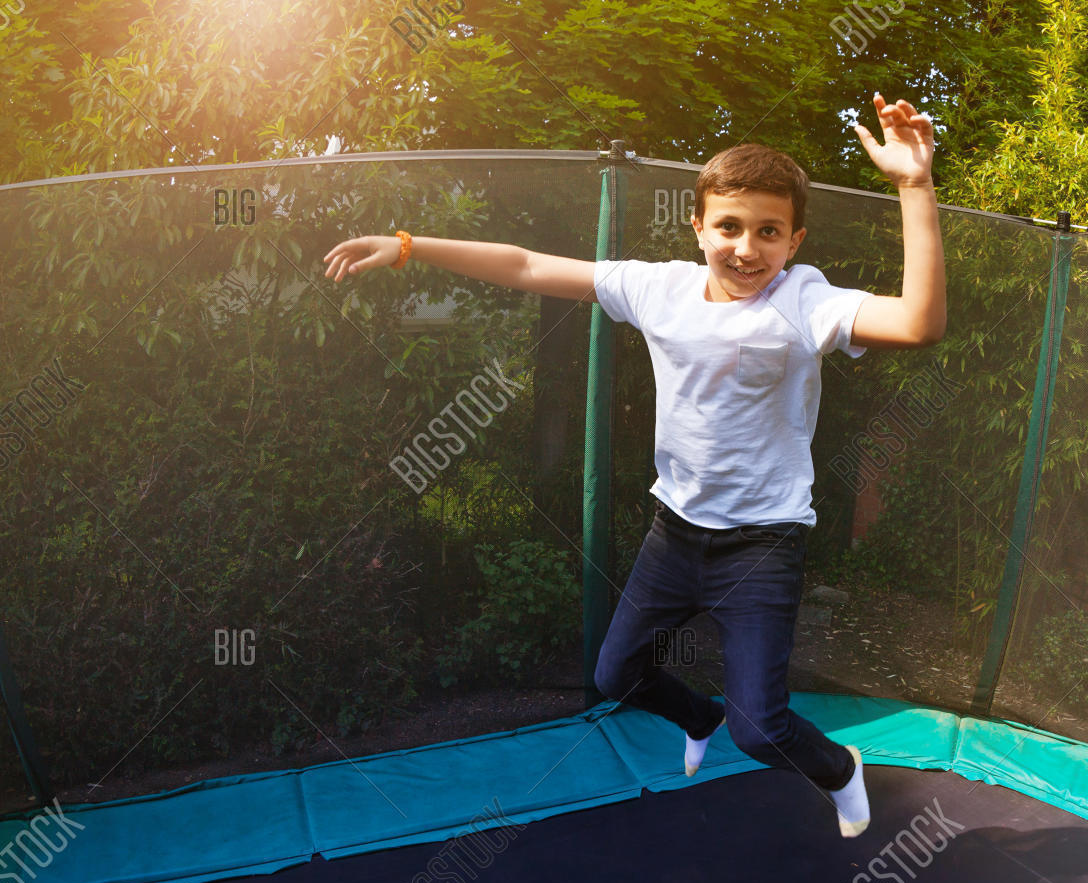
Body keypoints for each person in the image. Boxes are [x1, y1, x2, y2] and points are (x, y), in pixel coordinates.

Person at [323, 93, 946, 837]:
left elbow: (917, 323)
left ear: (794, 240)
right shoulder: (660, 288)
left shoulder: (806, 302)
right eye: (729, 227)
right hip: (675, 534)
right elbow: (526, 264)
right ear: (698, 226)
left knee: (762, 730)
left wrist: (914, 184)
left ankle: (840, 770)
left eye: (769, 232)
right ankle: (697, 715)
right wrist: (407, 244)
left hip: (762, 545)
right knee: (614, 677)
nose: (747, 248)